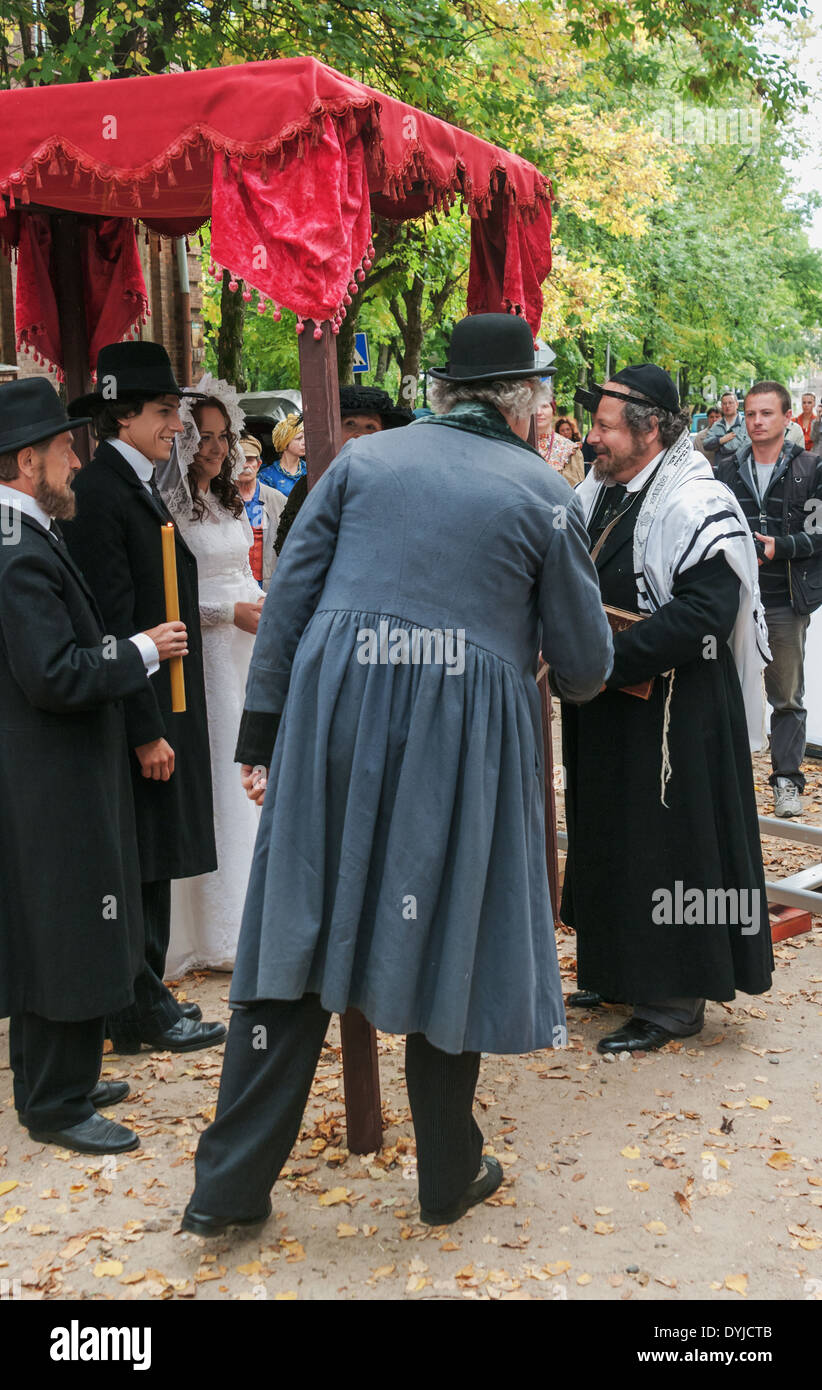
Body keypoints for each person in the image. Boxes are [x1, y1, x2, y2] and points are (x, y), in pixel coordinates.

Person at [182, 312, 613, 1236]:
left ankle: (225, 1188)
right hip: (462, 731)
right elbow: (585, 666)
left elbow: (291, 597)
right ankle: (447, 1175)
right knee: (445, 929)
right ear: (523, 402)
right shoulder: (545, 491)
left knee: (295, 927)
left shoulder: (364, 464)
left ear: (449, 393)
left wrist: (261, 731)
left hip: (336, 707)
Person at [0, 379, 189, 1154]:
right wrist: (142, 650)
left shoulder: (29, 536)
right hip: (48, 781)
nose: (75, 463)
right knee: (59, 931)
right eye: (62, 451)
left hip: (60, 774)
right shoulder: (17, 555)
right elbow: (54, 673)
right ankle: (53, 1102)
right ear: (23, 462)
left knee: (70, 927)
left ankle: (67, 1079)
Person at [562, 364, 773, 1053]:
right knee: (608, 834)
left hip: (675, 713)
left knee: (664, 848)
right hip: (606, 706)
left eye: (604, 427)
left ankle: (673, 997)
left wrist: (605, 661)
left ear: (649, 428)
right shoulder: (601, 491)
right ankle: (617, 969)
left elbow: (707, 614)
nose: (592, 439)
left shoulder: (697, 501)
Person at [63, 342, 226, 1055]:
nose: (176, 427)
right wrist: (144, 727)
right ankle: (139, 1005)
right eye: (164, 412)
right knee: (143, 860)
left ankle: (146, 994)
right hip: (146, 705)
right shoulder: (104, 491)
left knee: (155, 857)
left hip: (167, 696)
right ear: (122, 417)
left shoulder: (134, 482)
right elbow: (114, 617)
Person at [156, 376, 265, 975]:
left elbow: (238, 573)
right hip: (205, 652)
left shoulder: (228, 501)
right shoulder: (169, 506)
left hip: (245, 646)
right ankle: (212, 926)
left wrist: (260, 603)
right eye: (203, 436)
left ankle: (250, 909)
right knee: (220, 764)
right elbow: (170, 595)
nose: (215, 449)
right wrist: (228, 614)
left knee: (249, 763)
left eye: (224, 437)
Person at [715, 380, 822, 817]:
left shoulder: (810, 469)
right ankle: (725, 781)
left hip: (783, 599)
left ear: (786, 418)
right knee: (723, 691)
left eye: (766, 414)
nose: (756, 422)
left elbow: (819, 531)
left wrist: (782, 546)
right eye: (751, 414)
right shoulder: (726, 467)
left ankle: (786, 782)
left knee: (786, 695)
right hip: (732, 599)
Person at [274, 386, 413, 557]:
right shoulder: (311, 484)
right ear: (335, 430)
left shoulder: (397, 485)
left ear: (383, 433)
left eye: (370, 426)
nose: (359, 434)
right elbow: (287, 548)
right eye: (350, 424)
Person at [236, 434, 286, 590]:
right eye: (240, 460)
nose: (246, 465)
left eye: (250, 460)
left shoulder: (276, 499)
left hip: (267, 582)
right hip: (236, 583)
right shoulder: (221, 499)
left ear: (258, 464)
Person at [535, 393, 584, 486]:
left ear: (553, 411)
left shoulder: (570, 450)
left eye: (544, 406)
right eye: (533, 407)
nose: (538, 412)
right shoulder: (517, 446)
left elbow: (577, 492)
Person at [258, 413, 306, 496]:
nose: (304, 442)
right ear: (284, 443)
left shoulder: (310, 471)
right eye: (299, 438)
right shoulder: (266, 476)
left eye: (305, 437)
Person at [701, 390, 749, 468]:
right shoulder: (716, 425)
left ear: (737, 404)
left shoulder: (746, 423)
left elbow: (746, 447)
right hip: (721, 470)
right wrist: (721, 440)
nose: (727, 406)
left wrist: (721, 448)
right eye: (724, 403)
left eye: (730, 403)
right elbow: (706, 444)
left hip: (741, 468)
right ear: (721, 406)